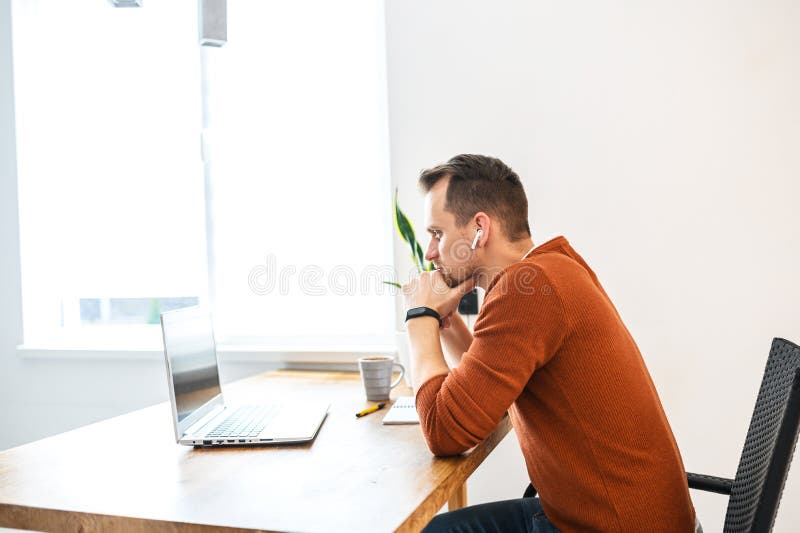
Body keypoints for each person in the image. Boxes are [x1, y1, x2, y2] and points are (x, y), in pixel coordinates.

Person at [401, 154, 697, 533]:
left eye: (437, 234)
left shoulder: (526, 291)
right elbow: (488, 395)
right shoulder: (550, 268)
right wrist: (445, 320)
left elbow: (445, 431)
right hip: (608, 516)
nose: (429, 252)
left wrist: (419, 317)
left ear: (479, 229)